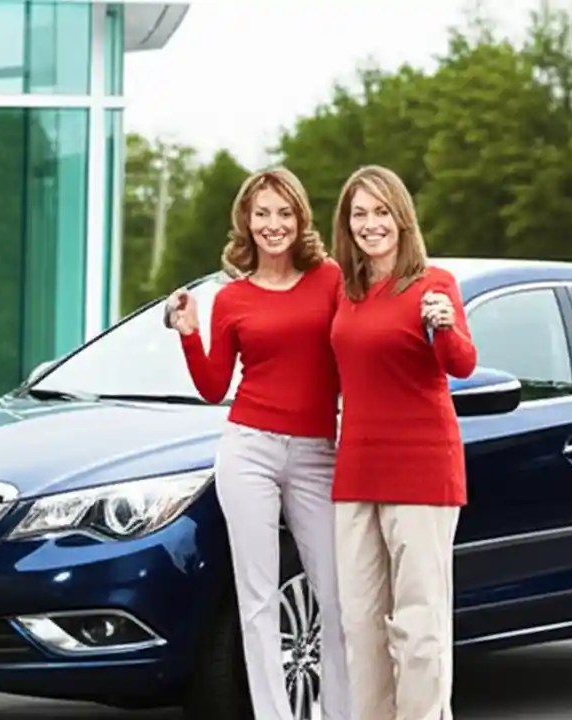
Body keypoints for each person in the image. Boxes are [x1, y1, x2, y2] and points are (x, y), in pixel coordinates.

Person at [165, 167, 350, 720]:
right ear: (246, 220)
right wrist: (190, 332)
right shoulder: (233, 298)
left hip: (318, 452)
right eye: (262, 213)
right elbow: (213, 386)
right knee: (258, 596)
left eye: (284, 213)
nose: (274, 224)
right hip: (249, 450)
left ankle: (341, 712)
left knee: (336, 595)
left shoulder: (330, 280)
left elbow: (355, 355)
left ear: (300, 219)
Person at [328, 164, 477, 720]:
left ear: (402, 218)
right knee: (360, 621)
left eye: (381, 212)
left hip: (421, 471)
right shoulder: (345, 291)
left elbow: (461, 363)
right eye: (359, 214)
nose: (371, 224)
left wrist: (444, 326)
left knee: (419, 622)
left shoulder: (433, 285)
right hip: (356, 472)